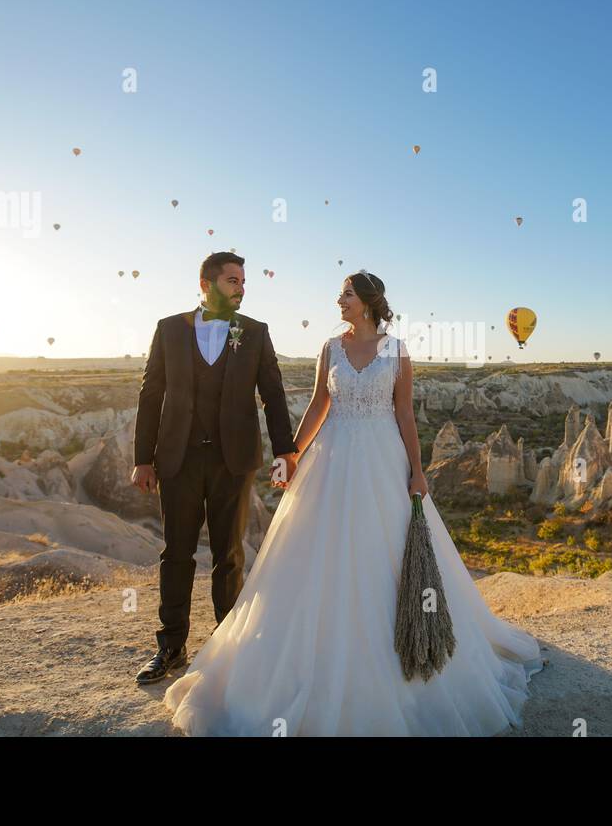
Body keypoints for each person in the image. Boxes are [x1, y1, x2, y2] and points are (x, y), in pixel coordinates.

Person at [160, 269, 546, 735]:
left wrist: (419, 471)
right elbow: (320, 404)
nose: (339, 300)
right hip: (332, 459)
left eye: (346, 294)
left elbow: (404, 413)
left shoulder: (396, 350)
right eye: (340, 293)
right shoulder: (330, 347)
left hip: (383, 461)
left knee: (383, 556)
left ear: (367, 301)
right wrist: (293, 455)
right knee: (313, 554)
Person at [131, 251, 299, 685]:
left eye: (243, 281)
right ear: (205, 284)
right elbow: (151, 395)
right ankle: (170, 648)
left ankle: (229, 648)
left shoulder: (256, 332)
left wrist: (286, 451)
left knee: (229, 555)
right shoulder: (169, 329)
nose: (241, 288)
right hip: (177, 459)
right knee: (177, 553)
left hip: (234, 460)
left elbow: (273, 396)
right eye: (232, 280)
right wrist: (142, 458)